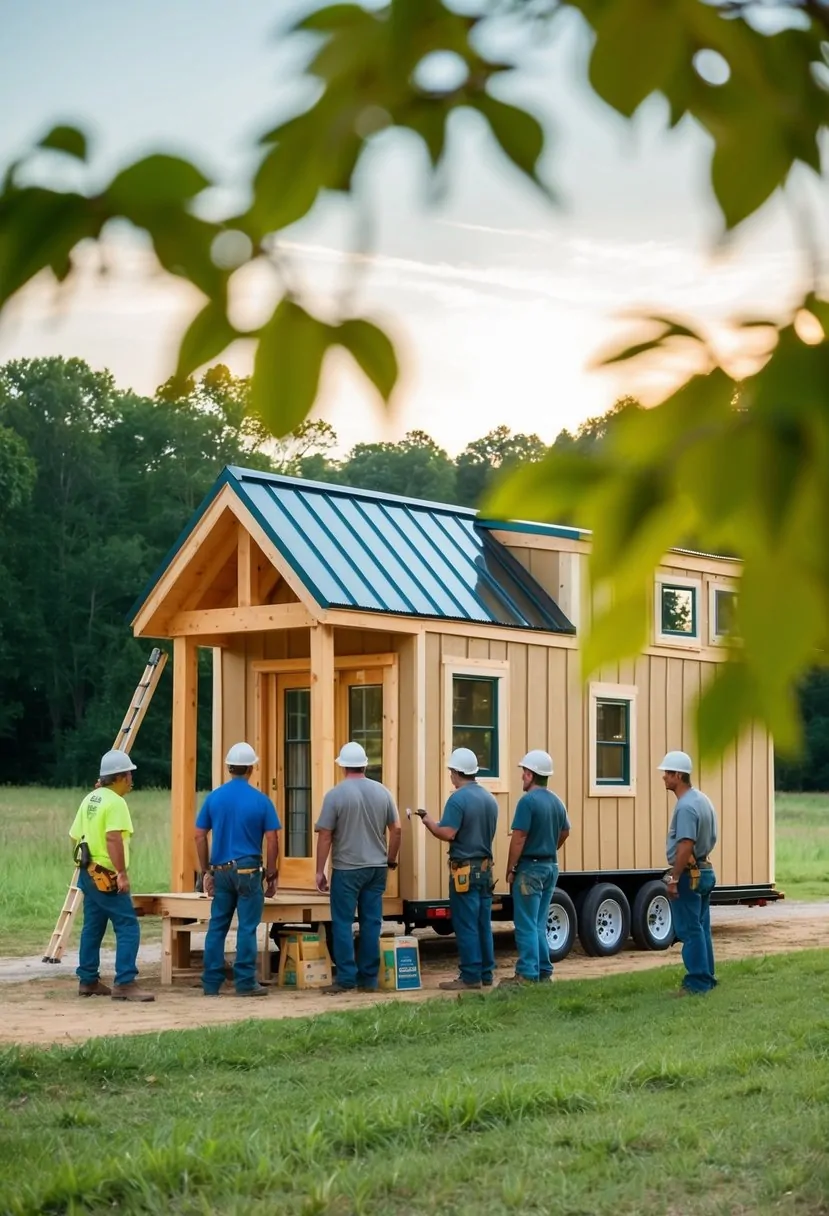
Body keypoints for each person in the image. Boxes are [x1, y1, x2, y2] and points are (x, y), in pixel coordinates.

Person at [315, 741, 402, 994]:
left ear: (343, 767)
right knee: (371, 923)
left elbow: (325, 835)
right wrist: (390, 859)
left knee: (342, 923)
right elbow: (397, 829)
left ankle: (346, 978)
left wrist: (320, 871)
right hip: (377, 868)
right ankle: (369, 979)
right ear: (365, 765)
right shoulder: (383, 792)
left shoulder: (335, 795)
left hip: (347, 869)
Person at [195, 742, 280, 998]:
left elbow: (199, 835)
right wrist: (272, 873)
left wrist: (206, 871)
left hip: (221, 871)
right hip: (248, 870)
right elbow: (272, 839)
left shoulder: (214, 798)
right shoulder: (261, 800)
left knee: (217, 926)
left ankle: (211, 983)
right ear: (252, 768)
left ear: (229, 768)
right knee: (246, 927)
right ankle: (245, 983)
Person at [69, 749, 154, 1002]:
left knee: (93, 927)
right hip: (107, 875)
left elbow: (74, 835)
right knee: (128, 926)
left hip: (88, 871)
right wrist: (121, 873)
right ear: (119, 777)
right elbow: (113, 838)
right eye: (129, 774)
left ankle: (88, 980)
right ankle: (125, 982)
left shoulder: (90, 798)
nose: (131, 779)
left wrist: (85, 864)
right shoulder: (116, 803)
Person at [417, 747, 498, 991]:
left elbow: (448, 832)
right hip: (485, 870)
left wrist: (429, 822)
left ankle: (470, 976)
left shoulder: (458, 799)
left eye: (451, 771)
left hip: (464, 871)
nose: (450, 775)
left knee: (465, 924)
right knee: (483, 923)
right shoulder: (489, 799)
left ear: (456, 772)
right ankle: (486, 973)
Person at [500, 749, 570, 987]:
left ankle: (527, 973)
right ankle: (543, 971)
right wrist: (550, 846)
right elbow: (565, 832)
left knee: (526, 924)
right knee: (539, 923)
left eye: (524, 772)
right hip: (551, 866)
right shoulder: (557, 802)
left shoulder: (527, 802)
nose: (522, 776)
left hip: (530, 869)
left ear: (531, 775)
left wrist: (511, 868)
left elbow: (519, 838)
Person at [659, 749, 719, 996]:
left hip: (688, 875)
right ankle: (707, 977)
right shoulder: (702, 800)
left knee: (690, 930)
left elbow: (686, 844)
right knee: (701, 927)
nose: (664, 777)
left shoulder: (685, 806)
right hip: (704, 870)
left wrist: (674, 878)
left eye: (667, 773)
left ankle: (697, 983)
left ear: (678, 775)